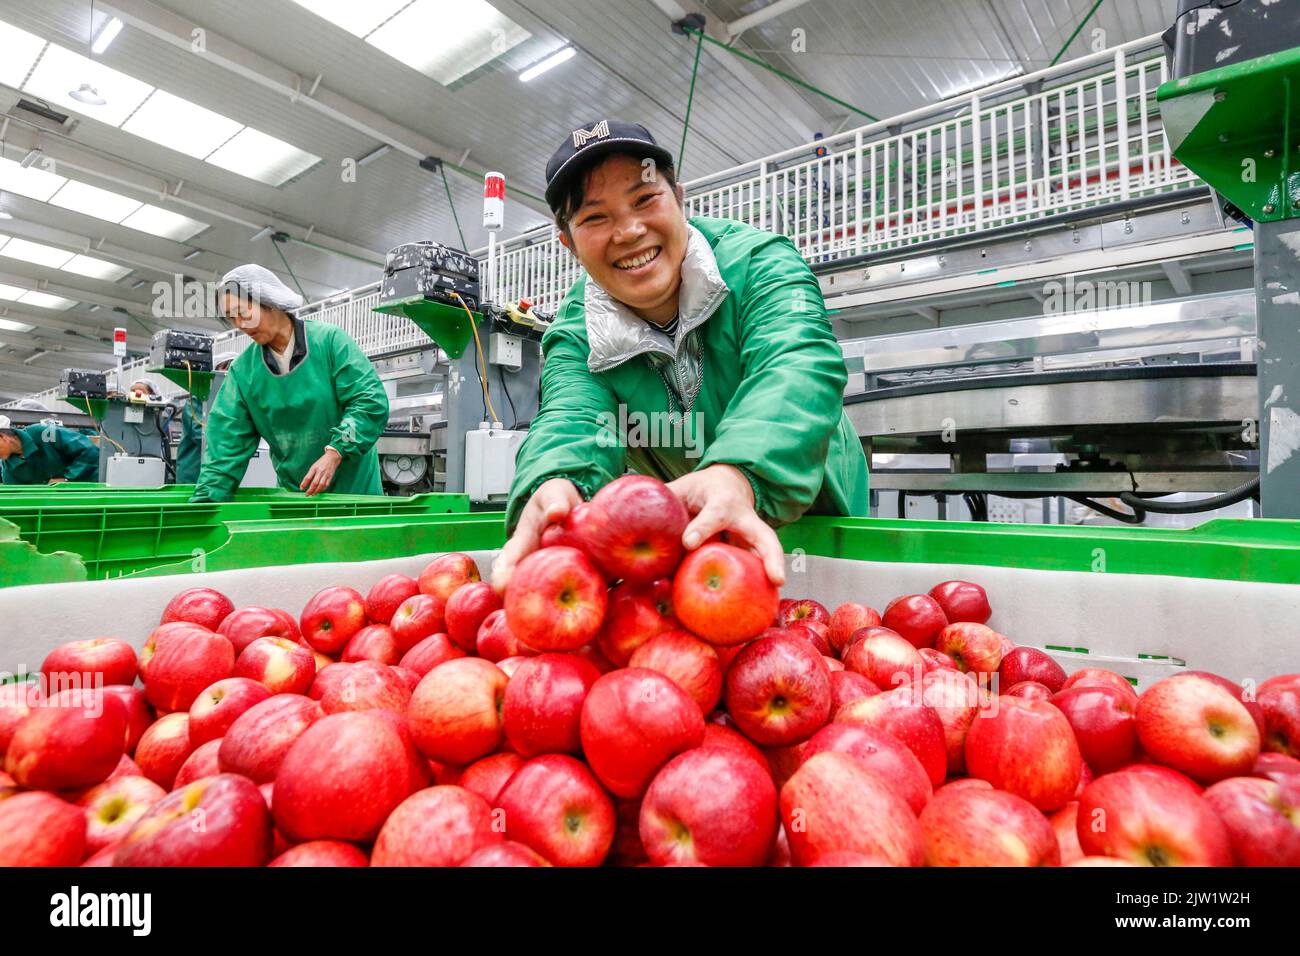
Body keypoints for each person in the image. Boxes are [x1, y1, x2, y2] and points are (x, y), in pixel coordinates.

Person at [494, 120, 869, 591]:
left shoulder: (759, 264)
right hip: (698, 533)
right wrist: (555, 483)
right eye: (595, 218)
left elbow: (796, 365)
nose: (629, 231)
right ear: (567, 242)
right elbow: (572, 418)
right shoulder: (577, 332)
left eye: (645, 200)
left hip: (816, 505)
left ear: (679, 199)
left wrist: (740, 473)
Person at [190, 265, 389, 502]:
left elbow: (370, 403)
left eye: (243, 312)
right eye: (232, 318)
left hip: (355, 494)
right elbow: (225, 444)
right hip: (296, 497)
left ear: (270, 302)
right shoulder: (243, 372)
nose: (240, 324)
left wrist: (336, 450)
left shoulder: (329, 342)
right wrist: (204, 505)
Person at [0, 422, 100, 484]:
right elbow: (16, 496)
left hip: (89, 492)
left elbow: (89, 451)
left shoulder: (44, 433)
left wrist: (67, 479)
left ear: (2, 437)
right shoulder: (8, 466)